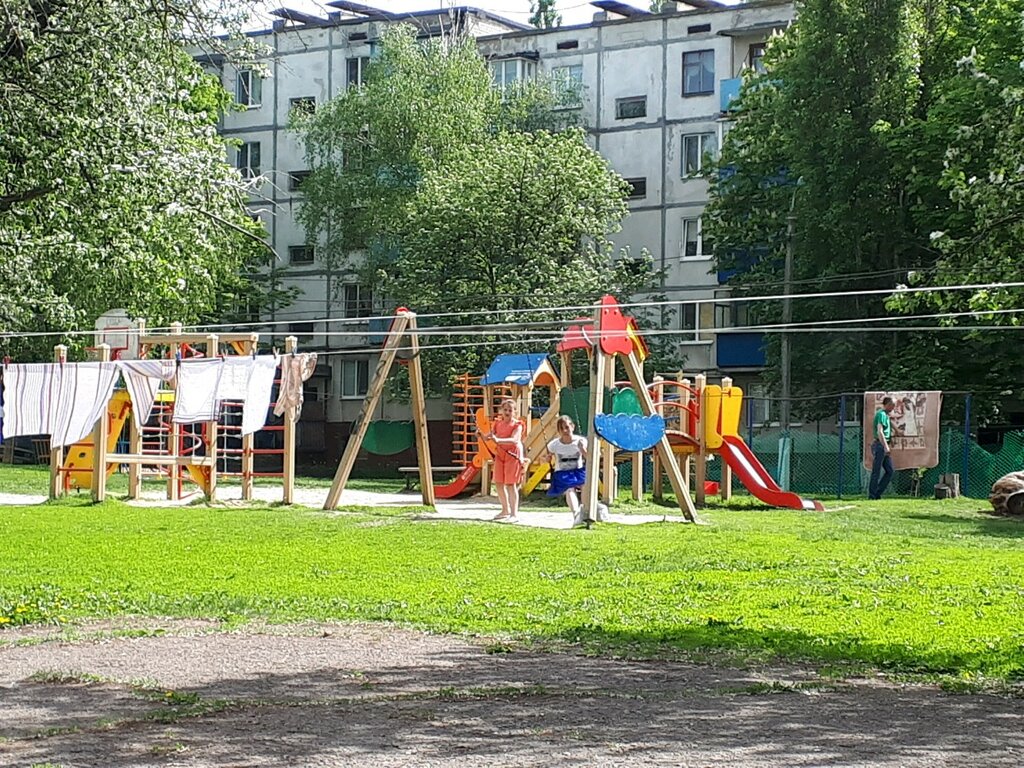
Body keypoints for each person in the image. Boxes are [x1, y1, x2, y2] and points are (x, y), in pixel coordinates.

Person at [481, 398, 526, 522]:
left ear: (515, 412)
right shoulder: (498, 424)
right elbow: (488, 437)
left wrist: (498, 440)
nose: (507, 412)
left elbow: (515, 440)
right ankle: (505, 510)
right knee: (499, 483)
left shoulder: (518, 425)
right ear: (501, 410)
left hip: (512, 455)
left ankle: (514, 514)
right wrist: (481, 435)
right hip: (500, 455)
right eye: (505, 409)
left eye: (510, 410)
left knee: (511, 484)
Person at [546, 415, 588, 526]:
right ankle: (576, 514)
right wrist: (547, 458)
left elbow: (589, 458)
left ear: (572, 427)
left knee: (585, 486)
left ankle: (585, 510)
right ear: (558, 431)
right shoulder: (554, 444)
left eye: (567, 427)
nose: (565, 431)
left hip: (578, 471)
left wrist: (583, 450)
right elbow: (547, 456)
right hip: (562, 473)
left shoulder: (580, 441)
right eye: (561, 429)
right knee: (569, 489)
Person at [868, 395, 896, 500]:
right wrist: (885, 446)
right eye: (892, 405)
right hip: (880, 445)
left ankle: (877, 492)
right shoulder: (881, 414)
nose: (893, 408)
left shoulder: (885, 415)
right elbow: (880, 431)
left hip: (882, 445)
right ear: (887, 404)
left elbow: (890, 424)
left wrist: (897, 431)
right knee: (876, 471)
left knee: (890, 470)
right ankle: (872, 495)